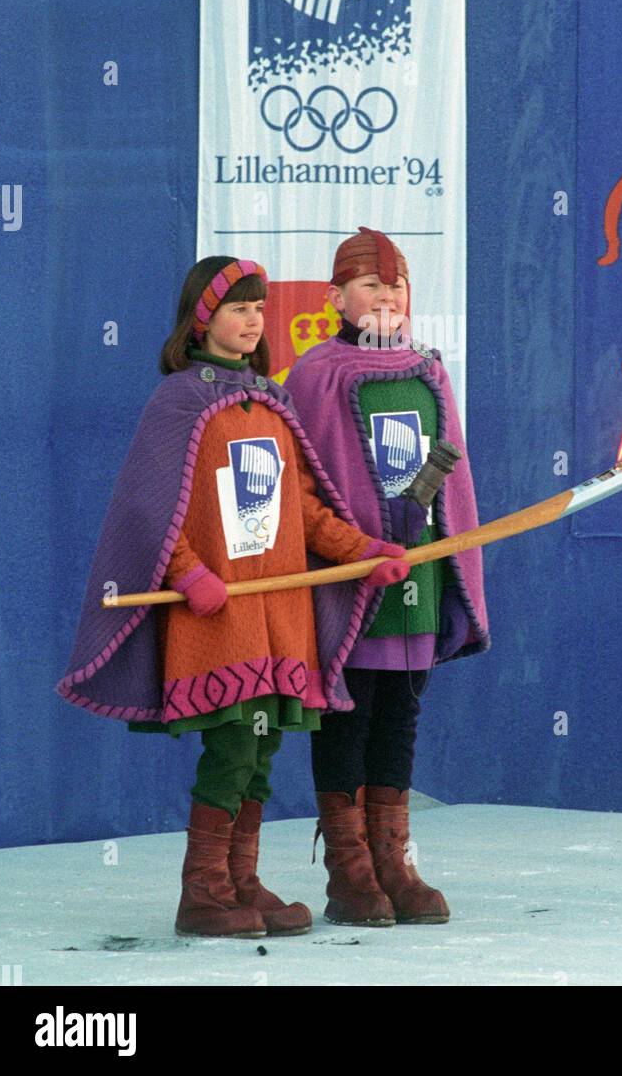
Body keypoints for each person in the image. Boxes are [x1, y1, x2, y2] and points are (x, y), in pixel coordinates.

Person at [56, 256, 408, 939]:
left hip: (277, 620)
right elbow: (151, 508)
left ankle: (241, 882)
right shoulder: (179, 402)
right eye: (238, 309)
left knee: (263, 748)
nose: (252, 321)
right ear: (202, 318)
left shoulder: (271, 401)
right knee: (232, 750)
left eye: (258, 309)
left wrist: (363, 551)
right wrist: (187, 574)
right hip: (218, 621)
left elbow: (304, 512)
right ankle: (203, 893)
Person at [284, 227, 490, 926]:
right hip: (353, 578)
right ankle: (349, 873)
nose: (386, 297)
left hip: (416, 576)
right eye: (370, 285)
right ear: (335, 296)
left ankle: (393, 862)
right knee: (348, 715)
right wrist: (361, 538)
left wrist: (427, 532)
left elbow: (448, 472)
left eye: (396, 285)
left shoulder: (429, 370)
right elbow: (309, 484)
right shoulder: (315, 375)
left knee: (400, 716)